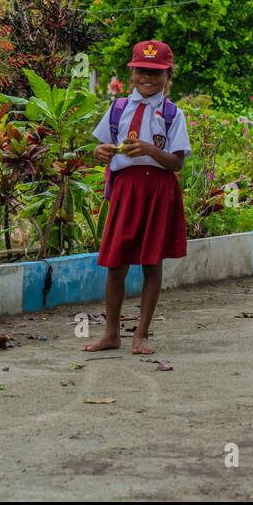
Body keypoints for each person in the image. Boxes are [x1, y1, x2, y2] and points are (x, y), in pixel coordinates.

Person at [82, 40, 189, 356]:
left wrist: (152, 150)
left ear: (167, 76)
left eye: (157, 73)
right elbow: (101, 146)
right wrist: (99, 151)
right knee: (116, 263)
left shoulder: (171, 114)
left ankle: (141, 335)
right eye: (142, 71)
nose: (149, 78)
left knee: (151, 263)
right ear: (132, 74)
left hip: (157, 191)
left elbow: (178, 162)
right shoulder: (117, 109)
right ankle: (111, 333)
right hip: (126, 190)